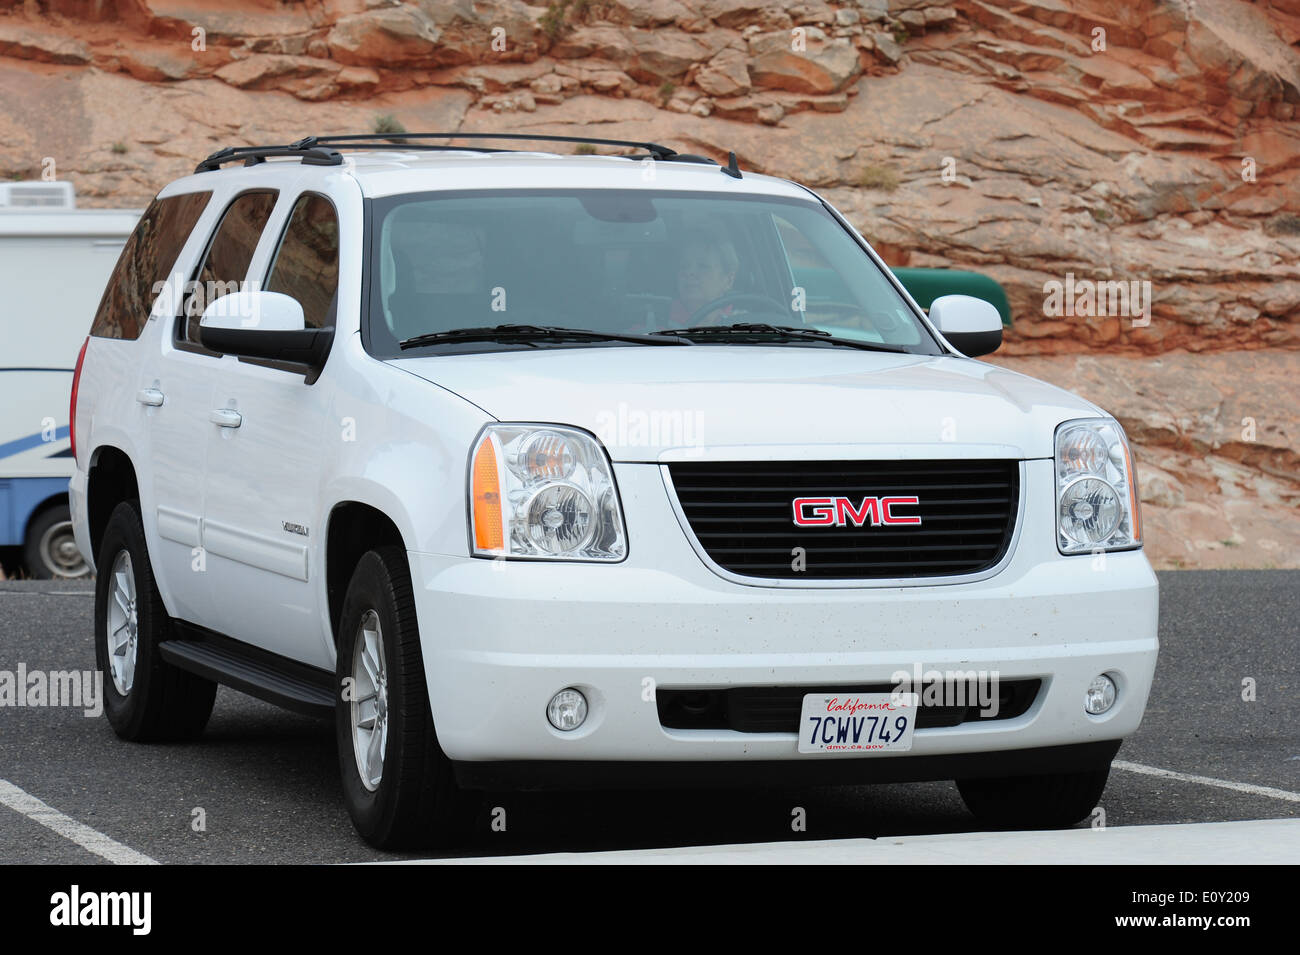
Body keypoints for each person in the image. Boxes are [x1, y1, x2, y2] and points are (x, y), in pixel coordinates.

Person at [669, 230, 740, 327]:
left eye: (703, 266)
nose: (689, 273)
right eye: (684, 266)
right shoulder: (656, 322)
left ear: (729, 280)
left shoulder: (745, 324)